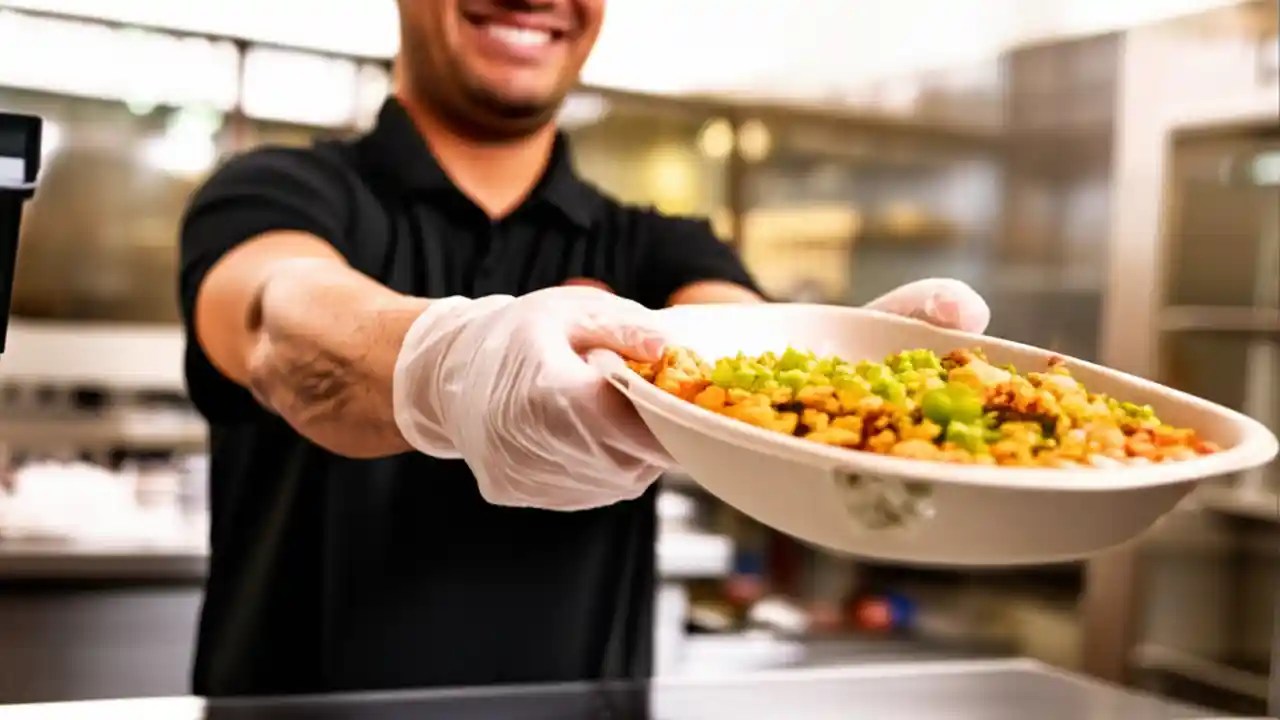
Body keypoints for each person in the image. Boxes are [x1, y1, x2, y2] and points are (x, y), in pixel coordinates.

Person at [179, 0, 991, 697]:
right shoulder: (273, 191)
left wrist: (835, 399)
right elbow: (279, 322)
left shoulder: (660, 246)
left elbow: (736, 336)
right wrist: (449, 364)